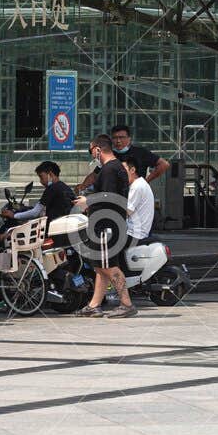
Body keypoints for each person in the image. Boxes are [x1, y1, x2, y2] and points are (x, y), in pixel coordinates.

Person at [77, 135, 136, 319]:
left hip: (107, 226)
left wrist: (88, 201)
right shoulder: (115, 168)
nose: (92, 155)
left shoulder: (110, 170)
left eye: (91, 151)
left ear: (97, 149)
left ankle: (126, 303)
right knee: (101, 267)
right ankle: (94, 305)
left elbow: (108, 196)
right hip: (110, 224)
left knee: (109, 266)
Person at [79, 123, 170, 193]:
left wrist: (146, 181)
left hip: (134, 192)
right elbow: (95, 174)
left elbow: (164, 164)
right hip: (114, 194)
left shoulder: (140, 152)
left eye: (122, 137)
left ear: (129, 138)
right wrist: (83, 186)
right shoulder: (110, 155)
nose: (118, 141)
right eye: (115, 138)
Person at [1, 160, 76, 225]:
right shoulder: (63, 186)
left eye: (41, 177)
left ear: (50, 174)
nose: (41, 181)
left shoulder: (52, 188)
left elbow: (35, 212)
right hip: (63, 226)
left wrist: (14, 215)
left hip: (53, 229)